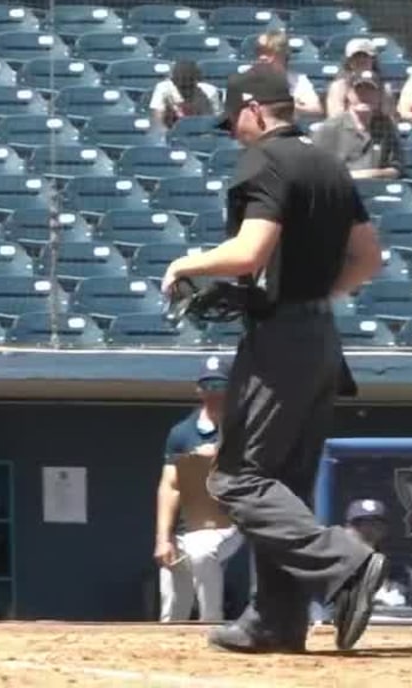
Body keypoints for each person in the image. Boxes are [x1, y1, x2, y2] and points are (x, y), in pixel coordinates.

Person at [161, 64, 389, 654]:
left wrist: (186, 263)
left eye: (234, 120)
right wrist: (314, 294)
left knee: (237, 478)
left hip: (281, 340)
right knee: (282, 486)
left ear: (254, 110)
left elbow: (250, 252)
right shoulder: (329, 163)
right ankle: (277, 621)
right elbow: (369, 258)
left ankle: (346, 562)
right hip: (320, 337)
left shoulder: (264, 159)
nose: (233, 132)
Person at [155, 356, 243, 622]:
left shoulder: (245, 429)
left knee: (203, 553)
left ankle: (210, 627)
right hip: (187, 526)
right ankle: (170, 642)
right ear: (199, 390)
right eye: (208, 386)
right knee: (172, 599)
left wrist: (218, 455)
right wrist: (163, 538)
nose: (214, 393)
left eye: (221, 385)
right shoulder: (182, 433)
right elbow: (170, 486)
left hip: (228, 522)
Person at [311, 70, 404, 180]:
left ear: (379, 96)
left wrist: (370, 175)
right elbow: (316, 171)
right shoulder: (330, 128)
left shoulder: (386, 126)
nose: (365, 95)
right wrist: (354, 177)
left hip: (377, 186)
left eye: (371, 91)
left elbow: (395, 168)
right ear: (349, 94)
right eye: (359, 90)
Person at [251, 30, 322, 117]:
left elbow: (316, 109)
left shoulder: (297, 80)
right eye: (259, 52)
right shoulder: (247, 79)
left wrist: (288, 105)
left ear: (282, 54)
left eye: (269, 52)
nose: (262, 57)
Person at [323, 39, 387, 120]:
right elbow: (335, 118)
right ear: (349, 61)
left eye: (365, 56)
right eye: (356, 57)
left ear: (373, 60)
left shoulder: (383, 88)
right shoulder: (339, 87)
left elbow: (388, 115)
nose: (361, 60)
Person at [149, 59, 221, 128]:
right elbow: (157, 122)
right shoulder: (163, 89)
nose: (187, 91)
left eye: (190, 86)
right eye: (183, 87)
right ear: (173, 81)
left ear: (198, 79)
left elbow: (212, 123)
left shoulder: (209, 92)